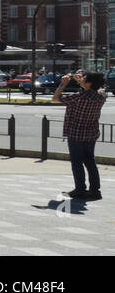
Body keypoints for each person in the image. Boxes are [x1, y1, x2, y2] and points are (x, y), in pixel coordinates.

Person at [53, 71, 105, 200]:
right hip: (91, 133)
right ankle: (95, 190)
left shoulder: (79, 97)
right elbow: (95, 89)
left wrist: (63, 84)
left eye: (84, 79)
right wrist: (81, 81)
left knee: (76, 162)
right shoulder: (101, 96)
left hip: (76, 133)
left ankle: (80, 189)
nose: (81, 80)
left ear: (89, 83)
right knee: (90, 161)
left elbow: (55, 98)